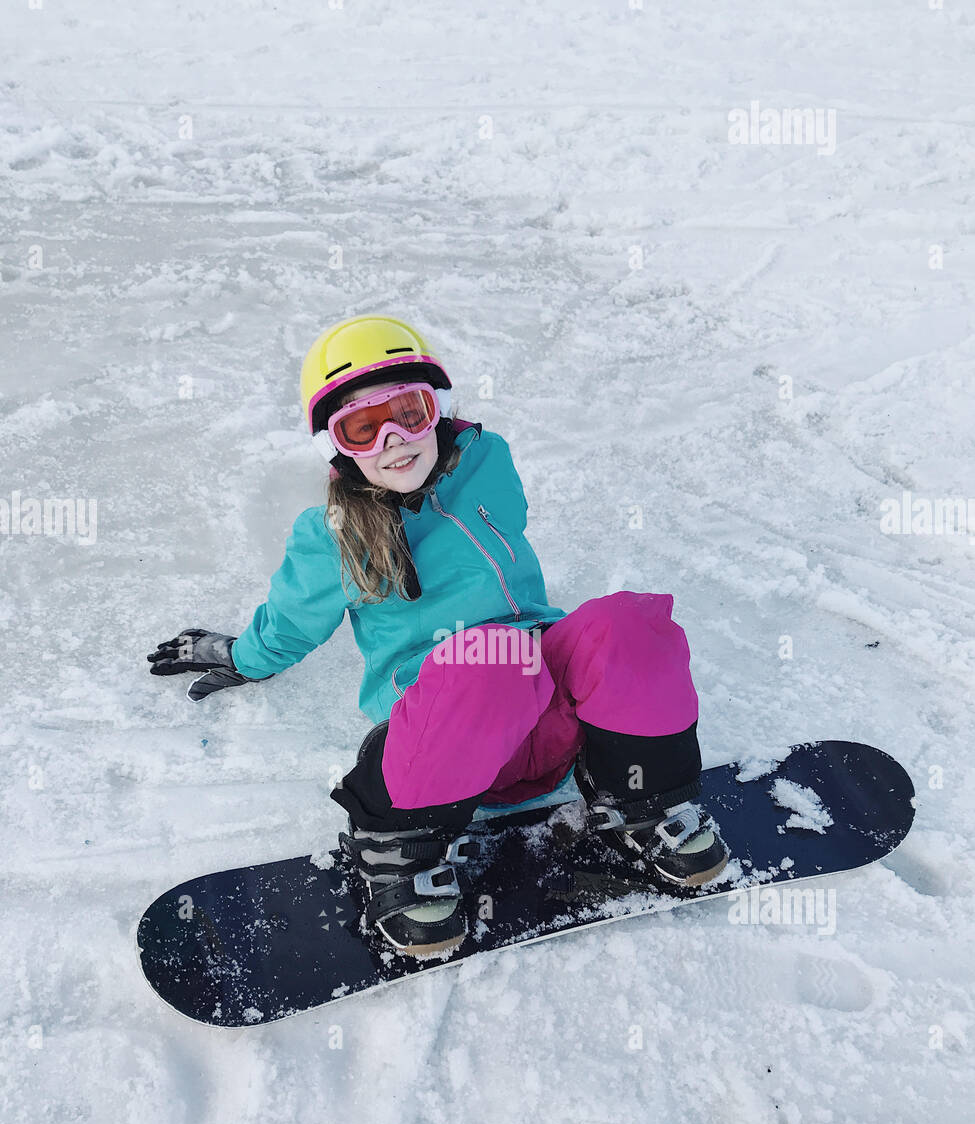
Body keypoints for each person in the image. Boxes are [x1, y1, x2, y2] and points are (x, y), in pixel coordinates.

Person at [148, 314, 728, 958]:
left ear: (439, 408)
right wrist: (243, 656)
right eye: (363, 428)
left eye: (408, 411)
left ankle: (643, 799)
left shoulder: (487, 461)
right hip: (445, 748)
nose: (394, 440)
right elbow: (292, 619)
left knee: (628, 622)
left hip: (556, 722)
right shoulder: (332, 536)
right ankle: (395, 851)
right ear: (335, 445)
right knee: (496, 658)